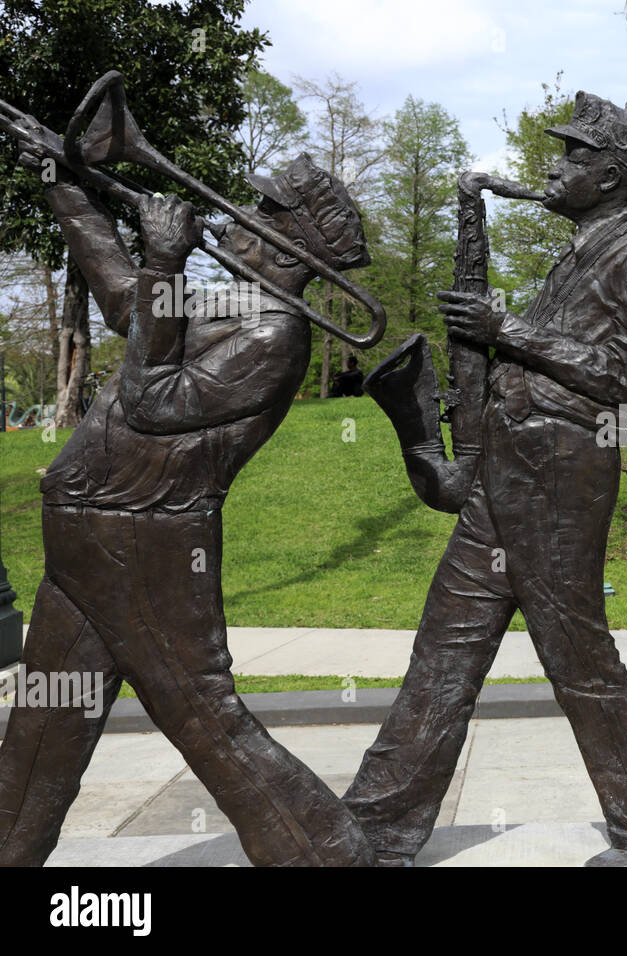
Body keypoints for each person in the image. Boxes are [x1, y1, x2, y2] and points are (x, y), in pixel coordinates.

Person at [343, 92, 627, 867]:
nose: (557, 168)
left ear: (612, 177)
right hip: (515, 464)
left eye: (574, 157)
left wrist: (504, 330)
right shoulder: (586, 249)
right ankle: (377, 826)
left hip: (562, 470)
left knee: (575, 649)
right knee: (446, 645)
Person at [0, 152, 377, 866]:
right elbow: (125, 304)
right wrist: (68, 191)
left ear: (293, 242)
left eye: (264, 212)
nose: (240, 217)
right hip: (90, 532)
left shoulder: (274, 336)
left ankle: (327, 855)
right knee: (44, 722)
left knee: (204, 716)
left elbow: (151, 402)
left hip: (148, 544)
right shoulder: (230, 303)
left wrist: (166, 258)